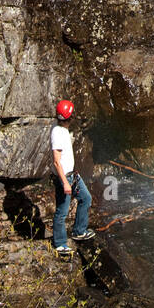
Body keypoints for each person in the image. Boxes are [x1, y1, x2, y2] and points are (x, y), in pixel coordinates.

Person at [51, 99, 95, 259]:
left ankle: (79, 231)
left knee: (86, 198)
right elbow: (56, 161)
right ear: (68, 118)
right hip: (65, 178)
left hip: (72, 175)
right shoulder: (57, 133)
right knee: (62, 212)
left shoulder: (62, 130)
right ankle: (60, 243)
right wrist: (64, 183)